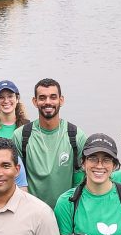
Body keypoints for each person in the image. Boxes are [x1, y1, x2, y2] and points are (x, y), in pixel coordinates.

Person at [19, 78, 84, 208]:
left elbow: (81, 180)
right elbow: (15, 179)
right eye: (42, 98)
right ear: (35, 101)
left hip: (66, 211)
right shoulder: (21, 136)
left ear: (61, 100)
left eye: (53, 97)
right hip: (32, 211)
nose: (48, 102)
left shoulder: (76, 136)